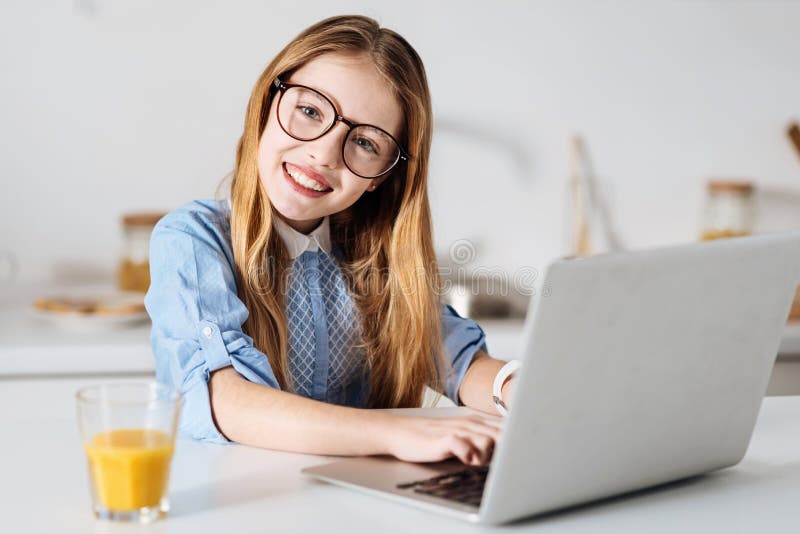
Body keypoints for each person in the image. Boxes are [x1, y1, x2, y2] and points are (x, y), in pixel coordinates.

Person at [145, 14, 519, 467]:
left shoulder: (372, 258)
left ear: (383, 176)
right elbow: (226, 400)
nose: (322, 154)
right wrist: (395, 433)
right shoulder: (192, 238)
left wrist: (518, 390)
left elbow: (453, 358)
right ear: (267, 104)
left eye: (364, 142)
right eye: (309, 111)